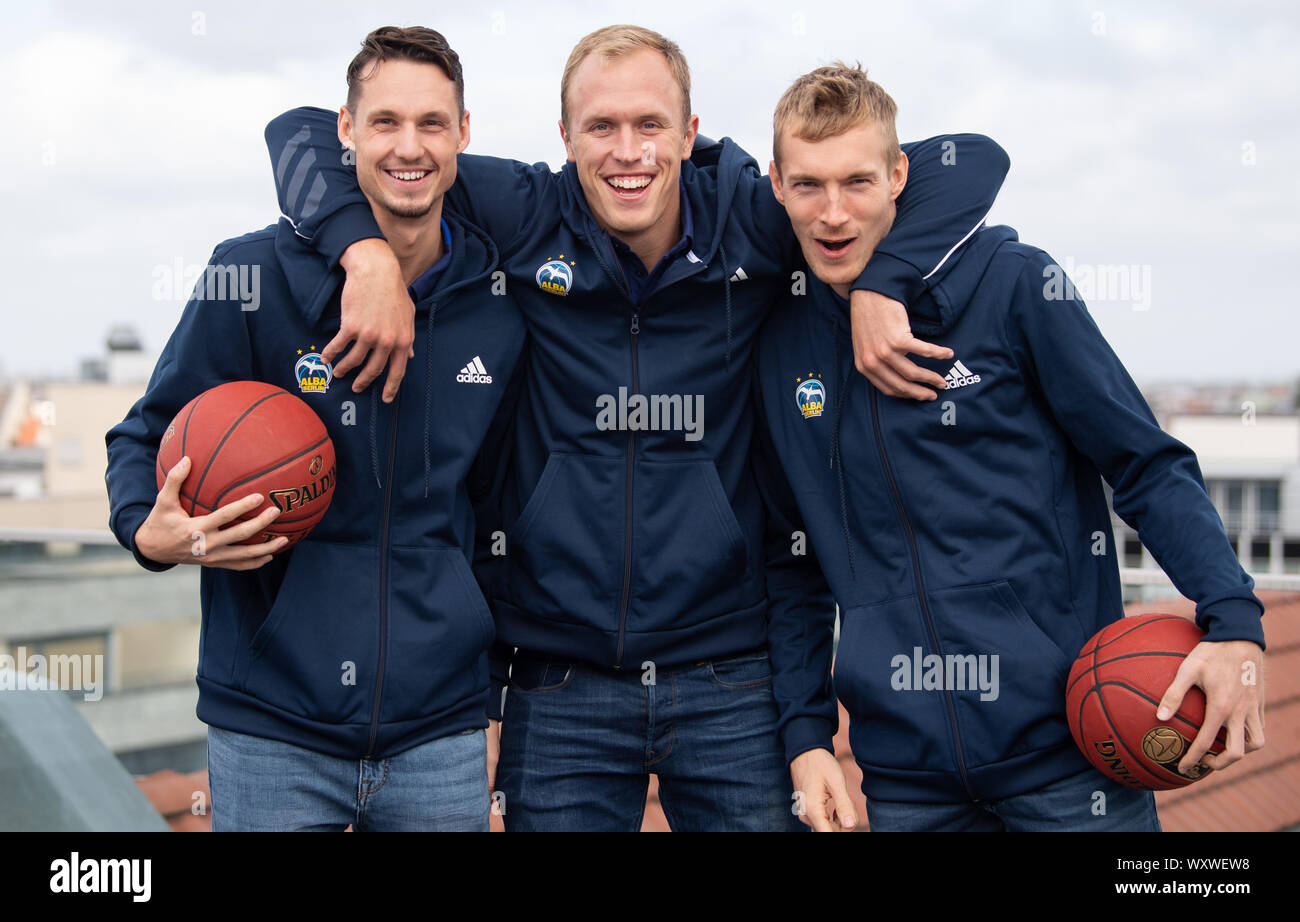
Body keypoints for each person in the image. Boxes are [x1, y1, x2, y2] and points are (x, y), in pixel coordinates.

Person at [263, 24, 1010, 831]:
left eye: (651, 125)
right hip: (559, 682)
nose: (629, 152)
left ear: (689, 134)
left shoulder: (753, 216)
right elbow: (302, 136)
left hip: (731, 677)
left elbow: (971, 161)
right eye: (602, 127)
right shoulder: (524, 210)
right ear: (566, 137)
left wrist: (882, 284)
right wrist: (365, 256)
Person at [756, 62, 1267, 831]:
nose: (833, 214)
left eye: (857, 182)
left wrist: (1233, 622)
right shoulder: (780, 345)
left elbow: (1144, 464)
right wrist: (806, 735)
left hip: (1071, 762)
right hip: (905, 784)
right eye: (808, 186)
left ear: (901, 175)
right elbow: (794, 565)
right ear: (775, 184)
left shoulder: (1014, 285)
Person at [105, 26, 526, 831]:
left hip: (439, 730)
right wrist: (148, 533)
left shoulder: (497, 306)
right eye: (385, 122)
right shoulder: (251, 276)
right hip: (271, 724)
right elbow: (143, 436)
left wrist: (492, 686)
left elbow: (497, 511)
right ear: (344, 130)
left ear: (464, 136)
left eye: (433, 124)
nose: (410, 146)